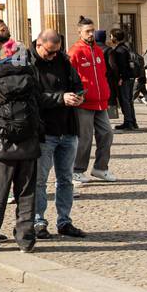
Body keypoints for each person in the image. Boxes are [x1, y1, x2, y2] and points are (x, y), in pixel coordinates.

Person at [0, 45, 42, 253]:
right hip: (28, 146)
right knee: (26, 195)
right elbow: (39, 110)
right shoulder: (31, 82)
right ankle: (26, 241)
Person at [30, 30, 87, 239]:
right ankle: (38, 221)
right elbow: (32, 97)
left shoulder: (63, 60)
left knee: (66, 179)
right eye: (49, 51)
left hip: (68, 128)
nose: (53, 55)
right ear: (38, 45)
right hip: (45, 131)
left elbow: (77, 84)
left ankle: (64, 221)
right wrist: (60, 98)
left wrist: (78, 96)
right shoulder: (29, 65)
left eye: (56, 51)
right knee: (40, 180)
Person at [69, 17, 116, 183]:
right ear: (79, 32)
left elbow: (103, 74)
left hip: (100, 101)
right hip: (84, 103)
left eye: (92, 30)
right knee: (85, 138)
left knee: (107, 134)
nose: (91, 34)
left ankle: (100, 168)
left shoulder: (98, 50)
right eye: (87, 31)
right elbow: (70, 76)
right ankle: (77, 170)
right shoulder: (75, 51)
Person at [106, 29, 139, 131]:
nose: (110, 38)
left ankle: (128, 122)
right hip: (131, 77)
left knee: (124, 100)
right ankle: (133, 122)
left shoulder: (119, 50)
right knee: (129, 100)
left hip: (125, 78)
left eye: (111, 36)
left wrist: (121, 78)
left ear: (115, 38)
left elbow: (122, 67)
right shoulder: (127, 47)